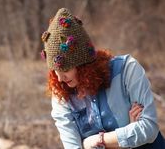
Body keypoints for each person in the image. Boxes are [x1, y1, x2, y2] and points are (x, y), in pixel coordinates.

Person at [41, 8, 165, 149]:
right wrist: (127, 136)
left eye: (65, 70)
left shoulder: (127, 70)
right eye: (54, 71)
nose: (60, 78)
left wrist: (93, 142)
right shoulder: (60, 93)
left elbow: (148, 129)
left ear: (83, 64)